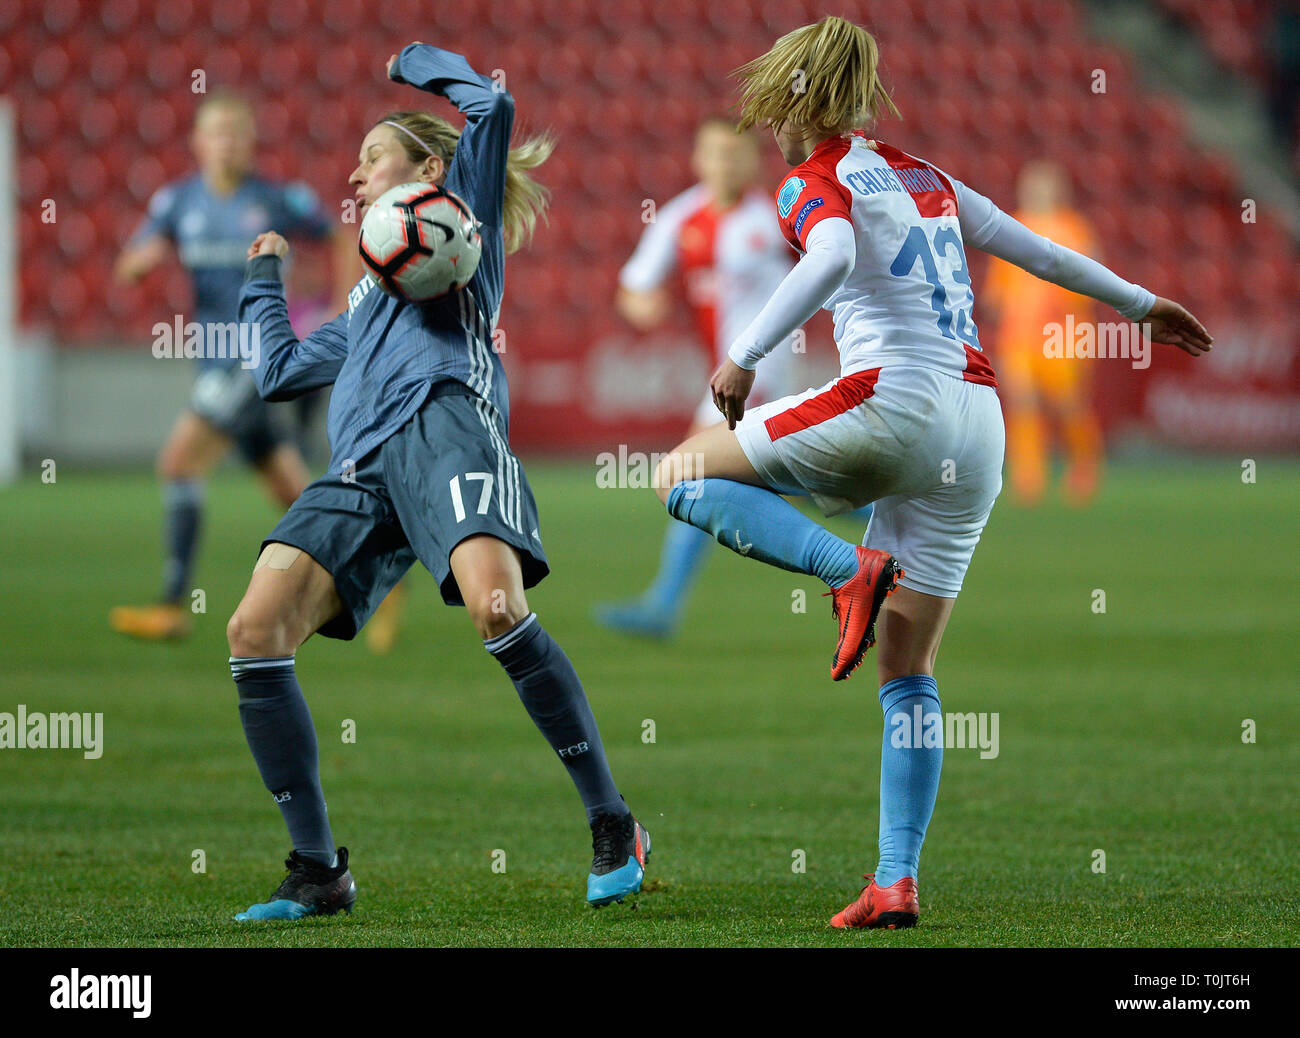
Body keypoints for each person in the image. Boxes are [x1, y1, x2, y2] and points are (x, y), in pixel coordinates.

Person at [652, 16, 1212, 929]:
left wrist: (745, 355)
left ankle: (847, 572)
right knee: (909, 670)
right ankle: (894, 880)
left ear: (790, 96)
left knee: (678, 474)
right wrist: (1141, 304)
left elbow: (831, 255)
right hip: (977, 424)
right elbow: (1040, 251)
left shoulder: (813, 178)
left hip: (893, 397)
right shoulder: (927, 177)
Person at [226, 43, 650, 921]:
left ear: (426, 168)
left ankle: (614, 822)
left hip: (444, 428)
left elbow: (489, 109)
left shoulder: (463, 222)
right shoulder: (363, 301)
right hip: (358, 467)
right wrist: (264, 281)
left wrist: (415, 62)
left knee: (498, 612)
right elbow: (280, 375)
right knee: (253, 628)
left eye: (371, 155)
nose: (355, 171)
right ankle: (317, 870)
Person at [110, 90, 353, 641]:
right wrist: (139, 263)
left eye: (237, 131)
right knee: (291, 490)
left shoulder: (275, 199)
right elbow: (125, 264)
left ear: (250, 141)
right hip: (211, 361)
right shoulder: (176, 203)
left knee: (178, 463)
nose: (227, 141)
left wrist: (339, 307)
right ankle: (366, 574)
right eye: (217, 131)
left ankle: (172, 604)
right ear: (198, 141)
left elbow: (339, 238)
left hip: (254, 359)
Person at [593, 118, 800, 637]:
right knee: (801, 480)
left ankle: (663, 606)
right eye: (715, 153)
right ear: (698, 159)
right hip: (727, 375)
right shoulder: (681, 216)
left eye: (736, 154)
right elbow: (633, 286)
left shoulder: (777, 216)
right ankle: (896, 526)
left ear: (754, 160)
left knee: (689, 472)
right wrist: (643, 305)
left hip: (762, 373)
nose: (725, 164)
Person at [983, 160, 1103, 505]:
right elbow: (998, 288)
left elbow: (1089, 282)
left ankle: (1083, 467)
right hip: (1018, 334)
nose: (1038, 192)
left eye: (1045, 185)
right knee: (1023, 402)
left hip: (1063, 334)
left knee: (1069, 405)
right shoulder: (1013, 227)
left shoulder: (1075, 229)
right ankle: (1029, 476)